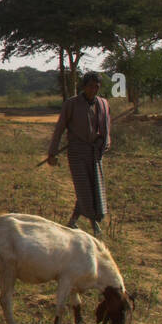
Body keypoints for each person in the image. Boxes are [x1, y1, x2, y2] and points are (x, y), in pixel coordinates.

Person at [46, 72, 111, 235]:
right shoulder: (71, 104)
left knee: (93, 187)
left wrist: (104, 145)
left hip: (95, 152)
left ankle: (73, 221)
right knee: (84, 188)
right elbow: (59, 128)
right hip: (77, 152)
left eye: (97, 86)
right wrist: (52, 152)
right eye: (90, 86)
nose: (93, 90)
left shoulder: (103, 103)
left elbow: (107, 129)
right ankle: (94, 224)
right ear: (84, 86)